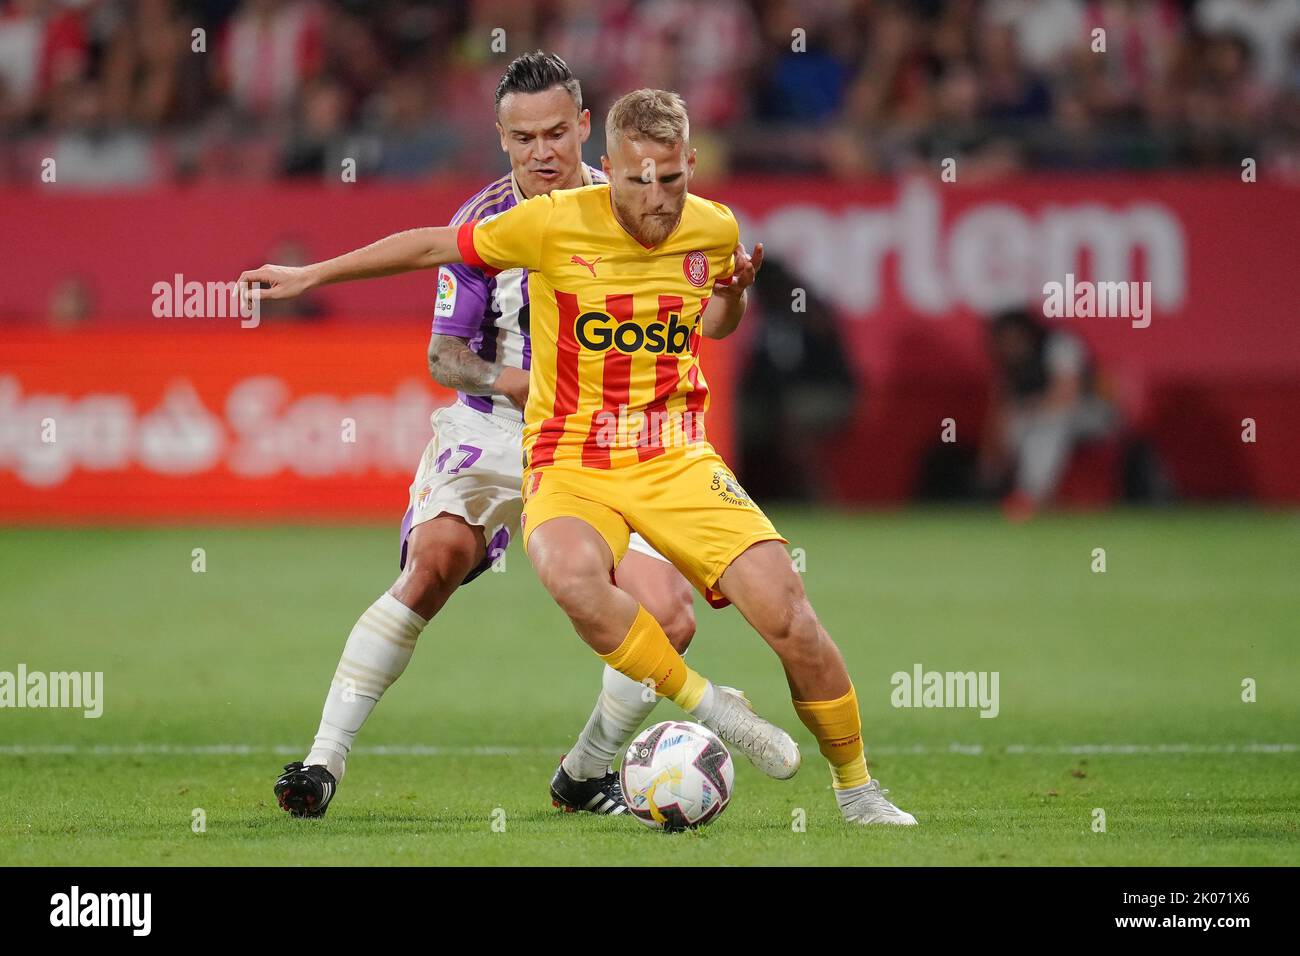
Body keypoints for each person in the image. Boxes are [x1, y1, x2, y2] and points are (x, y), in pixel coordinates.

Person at [243, 86, 917, 826]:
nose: (655, 195)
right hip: (568, 452)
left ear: (690, 163)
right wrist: (312, 274)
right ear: (609, 166)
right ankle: (711, 705)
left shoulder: (715, 227)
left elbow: (716, 322)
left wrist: (734, 296)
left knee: (787, 614)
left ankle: (858, 792)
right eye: (637, 179)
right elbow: (432, 245)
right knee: (559, 572)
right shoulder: (551, 223)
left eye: (670, 177)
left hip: (673, 455)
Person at [269, 53, 719, 820]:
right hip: (497, 432)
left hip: (603, 446)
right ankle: (321, 762)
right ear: (501, 138)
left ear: (584, 127)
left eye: (555, 133)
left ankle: (584, 773)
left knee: (671, 616)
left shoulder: (639, 208)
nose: (541, 152)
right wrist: (523, 384)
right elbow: (444, 356)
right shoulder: (485, 225)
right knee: (436, 558)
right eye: (522, 138)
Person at [980, 308, 1116, 519]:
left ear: (1025, 332)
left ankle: (1029, 497)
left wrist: (1030, 412)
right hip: (1040, 417)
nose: (1008, 344)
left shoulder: (1059, 343)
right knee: (1017, 424)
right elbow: (1003, 406)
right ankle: (1005, 490)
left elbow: (1065, 396)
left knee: (1050, 424)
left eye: (1011, 337)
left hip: (1095, 413)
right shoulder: (1009, 361)